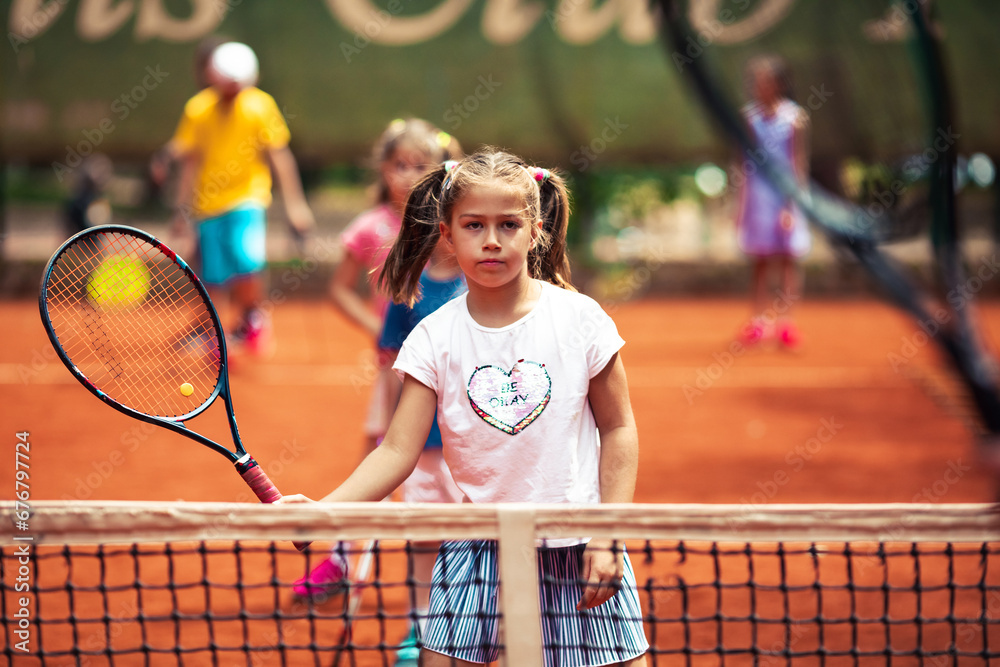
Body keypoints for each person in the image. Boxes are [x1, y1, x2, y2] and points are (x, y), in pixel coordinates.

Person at [281, 149, 648, 667]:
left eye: (509, 224)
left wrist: (609, 536)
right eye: (474, 225)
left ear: (536, 229)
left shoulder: (581, 318)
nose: (492, 240)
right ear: (448, 235)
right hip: (479, 545)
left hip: (578, 542)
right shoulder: (433, 335)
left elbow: (619, 428)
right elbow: (397, 450)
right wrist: (327, 509)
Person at [293, 119, 461, 599]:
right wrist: (380, 333)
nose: (408, 175)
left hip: (449, 367)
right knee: (382, 457)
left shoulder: (448, 227)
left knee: (440, 468)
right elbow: (339, 291)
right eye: (399, 165)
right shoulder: (371, 228)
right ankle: (346, 562)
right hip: (394, 363)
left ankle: (452, 583)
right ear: (383, 169)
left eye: (420, 166)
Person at [168, 41, 315, 356]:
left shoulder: (261, 106)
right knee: (215, 276)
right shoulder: (198, 109)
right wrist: (182, 212)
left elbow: (280, 157)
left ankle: (252, 319)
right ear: (212, 76)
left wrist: (296, 206)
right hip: (207, 206)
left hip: (248, 199)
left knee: (247, 260)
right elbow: (189, 164)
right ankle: (217, 334)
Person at [376, 232, 467, 666]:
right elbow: (390, 366)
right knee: (423, 538)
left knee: (478, 536)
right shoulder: (409, 290)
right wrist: (386, 425)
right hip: (422, 445)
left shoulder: (485, 287)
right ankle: (422, 625)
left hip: (472, 447)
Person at [735, 54, 810, 348]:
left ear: (779, 85)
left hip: (786, 195)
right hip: (757, 197)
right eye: (757, 82)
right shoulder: (748, 118)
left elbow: (798, 162)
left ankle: (786, 324)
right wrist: (740, 205)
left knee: (789, 262)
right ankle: (758, 322)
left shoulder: (796, 118)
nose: (760, 86)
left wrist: (792, 205)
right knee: (761, 262)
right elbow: (742, 163)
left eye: (766, 81)